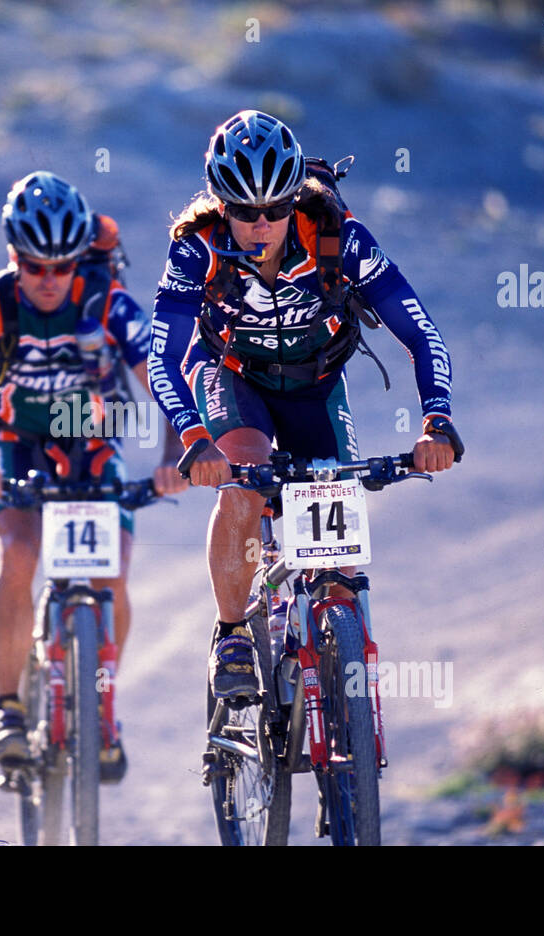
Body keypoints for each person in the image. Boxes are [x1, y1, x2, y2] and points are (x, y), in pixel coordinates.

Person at [148, 110, 460, 699]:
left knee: (339, 579)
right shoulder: (198, 250)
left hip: (317, 387)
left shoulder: (340, 239)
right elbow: (159, 356)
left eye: (275, 209)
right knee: (243, 478)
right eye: (243, 211)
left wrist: (436, 420)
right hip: (231, 376)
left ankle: (346, 737)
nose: (260, 224)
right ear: (222, 206)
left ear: (296, 200)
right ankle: (234, 632)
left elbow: (422, 334)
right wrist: (193, 439)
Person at [0, 171, 186, 783]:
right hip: (17, 443)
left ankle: (103, 705)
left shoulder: (111, 304)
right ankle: (9, 708)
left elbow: (172, 391)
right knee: (18, 552)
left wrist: (176, 457)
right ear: (14, 258)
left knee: (113, 572)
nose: (47, 280)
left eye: (61, 267)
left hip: (91, 442)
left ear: (78, 263)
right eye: (34, 267)